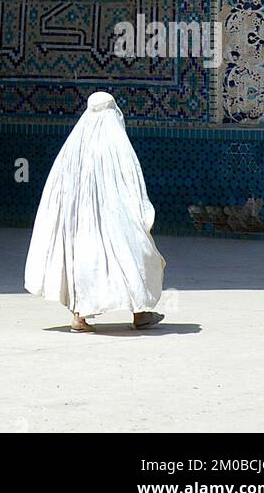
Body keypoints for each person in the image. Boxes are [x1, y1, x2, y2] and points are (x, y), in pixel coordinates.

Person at [24, 90, 166, 332]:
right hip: (115, 219)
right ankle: (139, 312)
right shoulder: (117, 145)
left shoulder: (73, 147)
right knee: (129, 257)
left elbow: (58, 190)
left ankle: (83, 316)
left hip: (80, 223)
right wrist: (141, 212)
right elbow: (132, 181)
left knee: (86, 261)